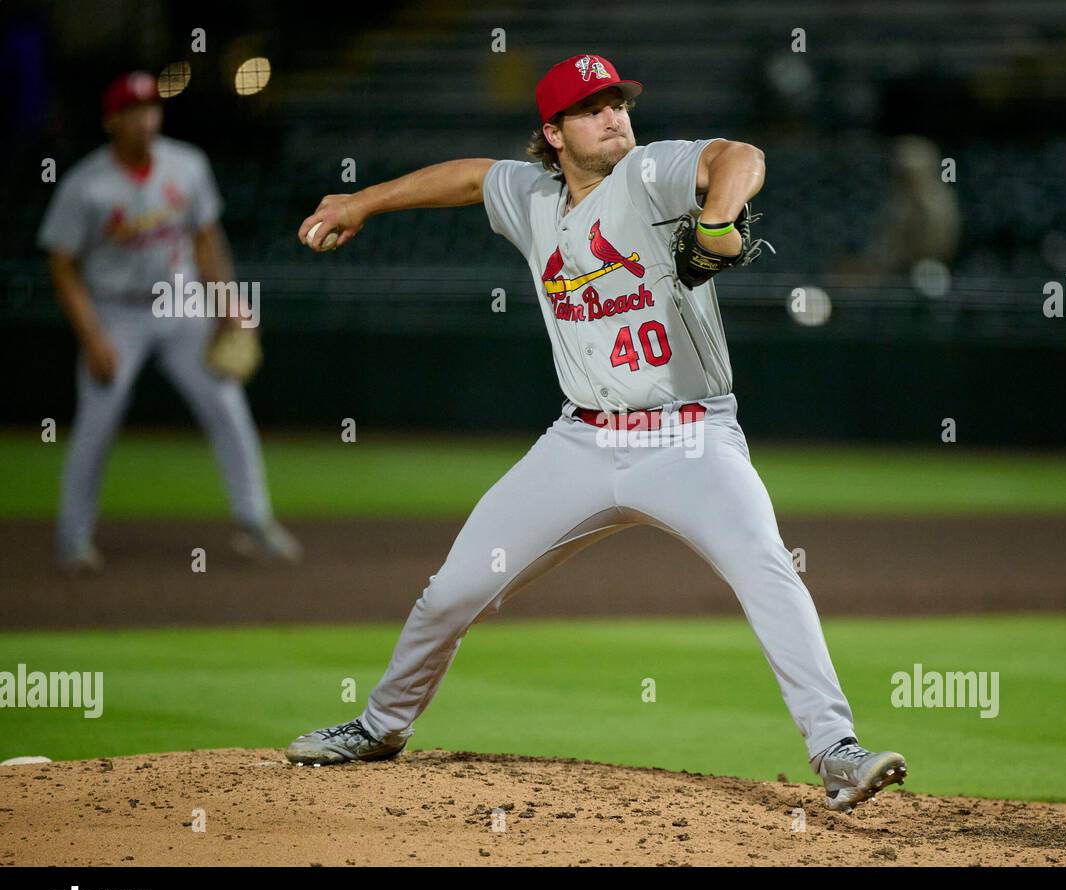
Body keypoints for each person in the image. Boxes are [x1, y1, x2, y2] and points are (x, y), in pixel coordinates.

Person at [286, 53, 906, 811]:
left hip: (690, 439)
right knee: (452, 592)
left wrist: (714, 218)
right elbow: (467, 176)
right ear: (552, 132)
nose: (615, 116)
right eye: (593, 108)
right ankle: (382, 726)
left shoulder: (648, 175)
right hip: (579, 442)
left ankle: (836, 749)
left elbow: (740, 158)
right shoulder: (532, 197)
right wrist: (362, 202)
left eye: (619, 102)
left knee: (764, 566)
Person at [37, 70, 301, 574]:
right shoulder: (84, 185)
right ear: (111, 120)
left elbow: (205, 239)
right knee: (98, 422)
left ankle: (256, 522)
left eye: (151, 108)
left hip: (179, 301)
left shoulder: (187, 165)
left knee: (227, 406)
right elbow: (62, 266)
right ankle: (73, 540)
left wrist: (228, 301)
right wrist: (92, 334)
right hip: (114, 309)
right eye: (132, 111)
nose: (144, 119)